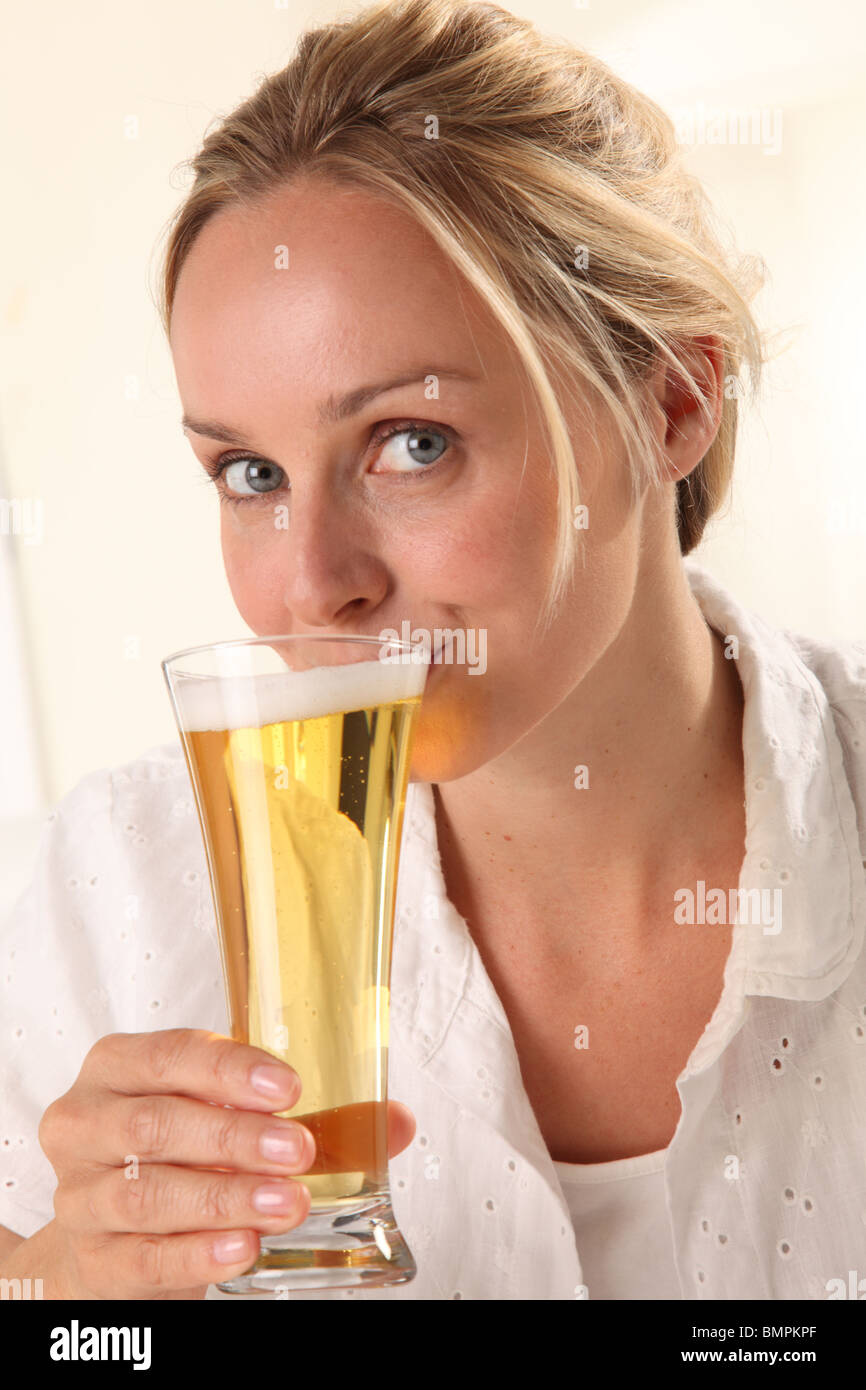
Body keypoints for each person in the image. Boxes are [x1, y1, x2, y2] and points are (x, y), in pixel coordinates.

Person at [2, 0, 865, 1302]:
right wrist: (68, 1307)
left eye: (412, 442)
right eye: (248, 471)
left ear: (673, 401)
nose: (308, 585)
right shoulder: (110, 910)